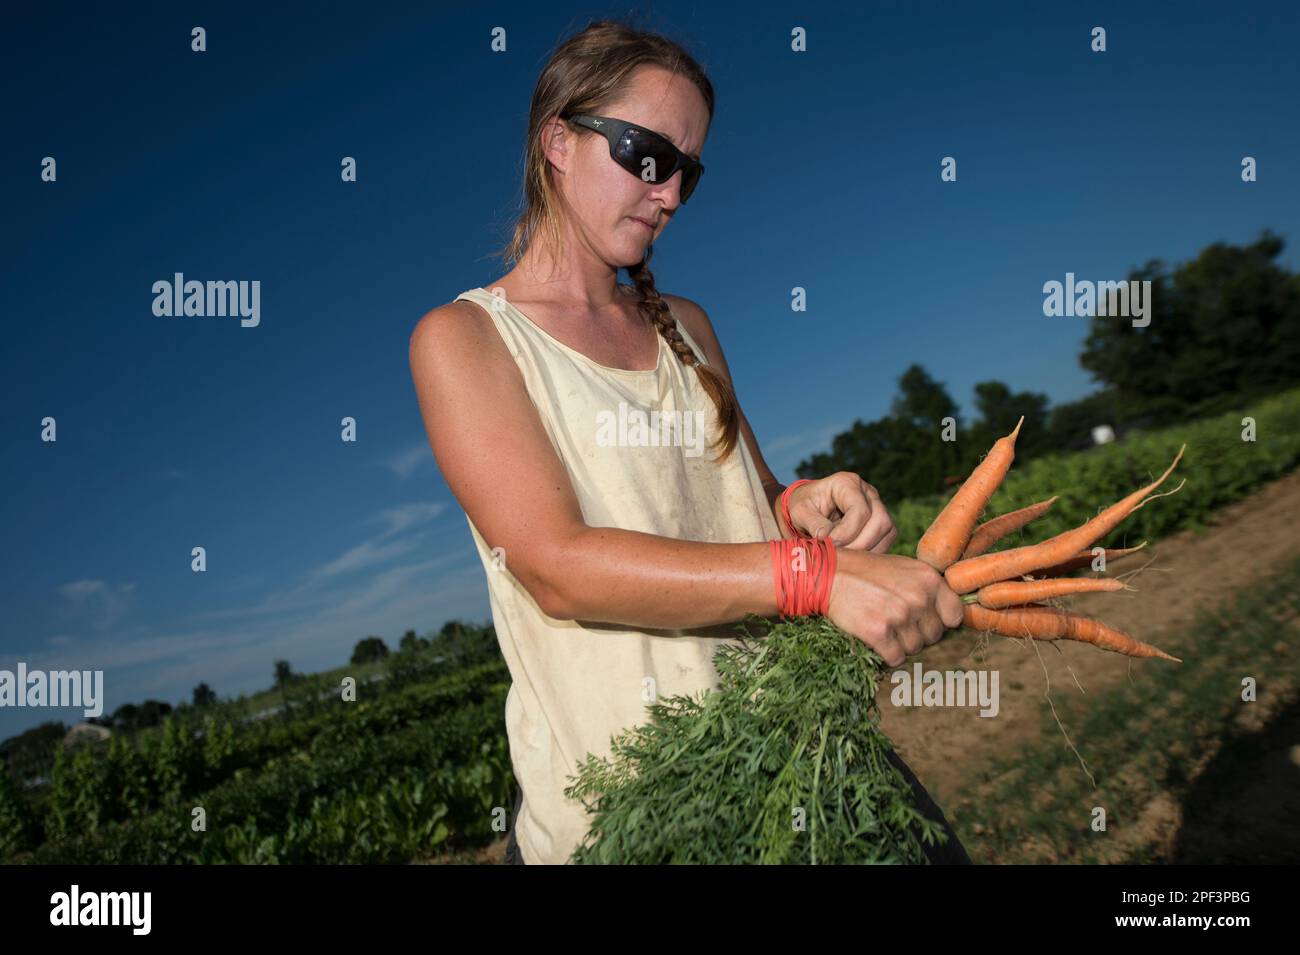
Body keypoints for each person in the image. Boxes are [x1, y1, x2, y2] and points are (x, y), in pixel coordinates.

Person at [409, 18, 969, 865]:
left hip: (791, 746)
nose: (668, 192)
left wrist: (806, 506)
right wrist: (813, 577)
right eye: (647, 155)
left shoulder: (688, 328)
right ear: (558, 141)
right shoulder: (466, 340)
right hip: (633, 805)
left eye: (688, 171)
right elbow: (559, 566)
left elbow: (747, 502)